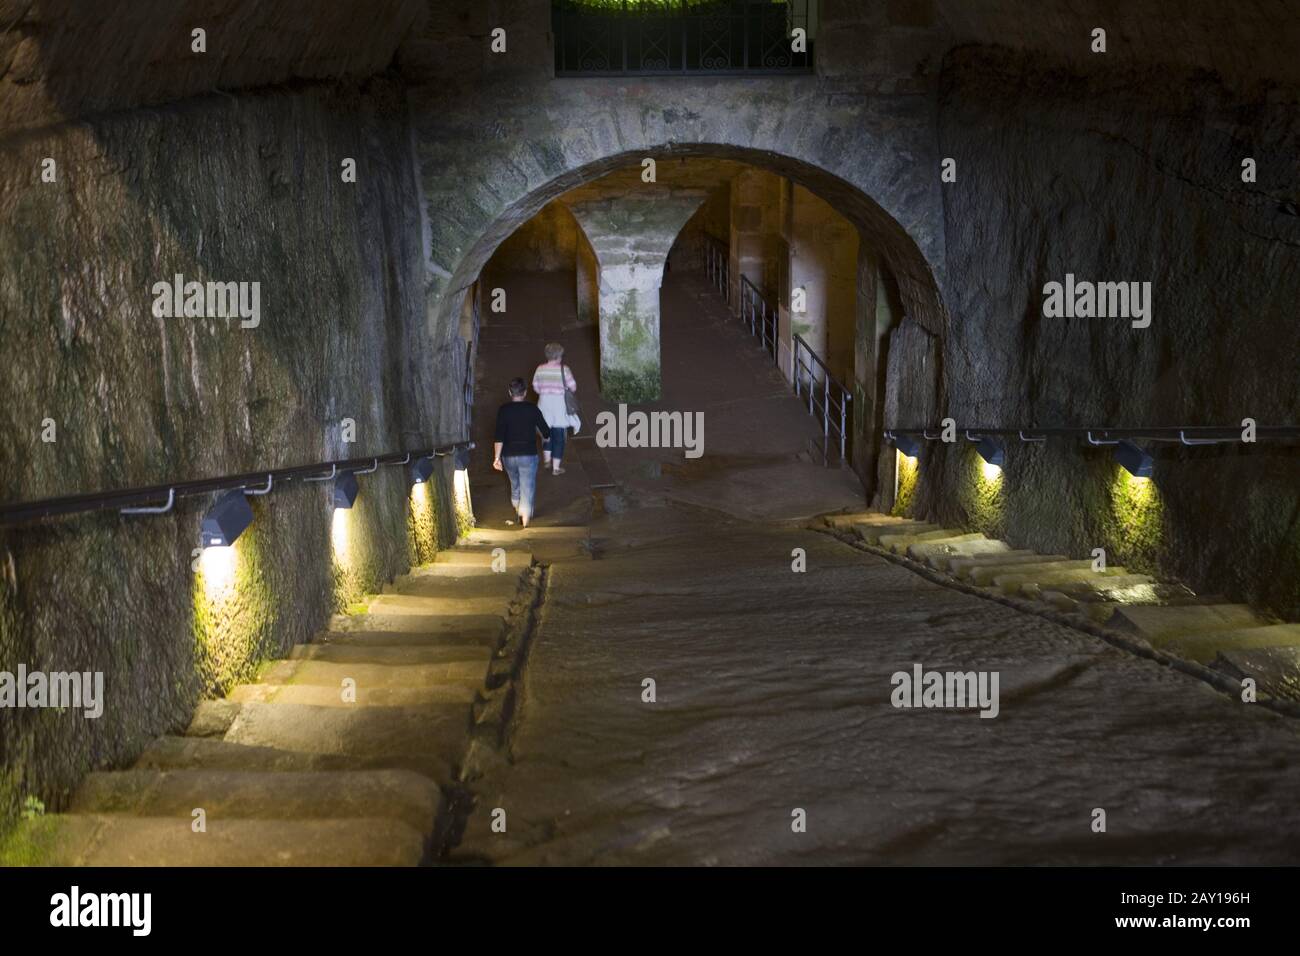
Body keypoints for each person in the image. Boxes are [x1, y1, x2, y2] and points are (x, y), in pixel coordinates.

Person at [493, 377, 551, 527]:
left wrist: (496, 458)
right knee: (528, 484)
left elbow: (499, 436)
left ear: (509, 392)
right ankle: (524, 516)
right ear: (525, 393)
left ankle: (516, 503)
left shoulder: (503, 410)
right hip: (528, 453)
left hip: (508, 455)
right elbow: (545, 431)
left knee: (514, 482)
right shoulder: (532, 409)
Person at [531, 342, 577, 475]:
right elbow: (573, 387)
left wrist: (545, 391)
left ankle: (546, 460)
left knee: (546, 434)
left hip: (544, 404)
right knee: (559, 438)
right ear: (559, 357)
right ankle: (556, 468)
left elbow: (535, 386)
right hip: (559, 406)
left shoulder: (540, 368)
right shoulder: (565, 369)